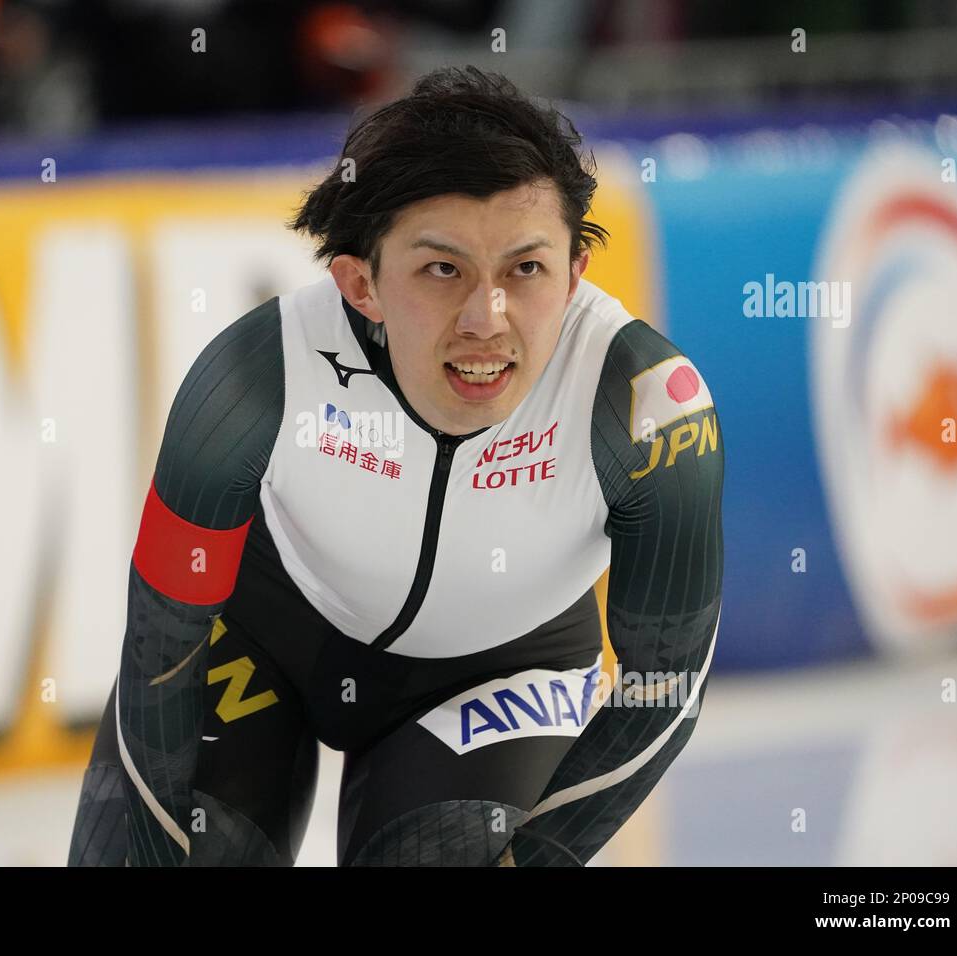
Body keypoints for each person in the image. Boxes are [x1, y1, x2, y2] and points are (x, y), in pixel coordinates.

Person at [67, 65, 723, 867]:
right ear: (361, 283)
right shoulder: (252, 381)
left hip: (502, 674)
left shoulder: (647, 410)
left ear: (577, 272)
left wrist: (533, 858)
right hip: (263, 647)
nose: (487, 320)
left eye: (526, 269)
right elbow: (161, 643)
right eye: (442, 269)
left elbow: (664, 690)